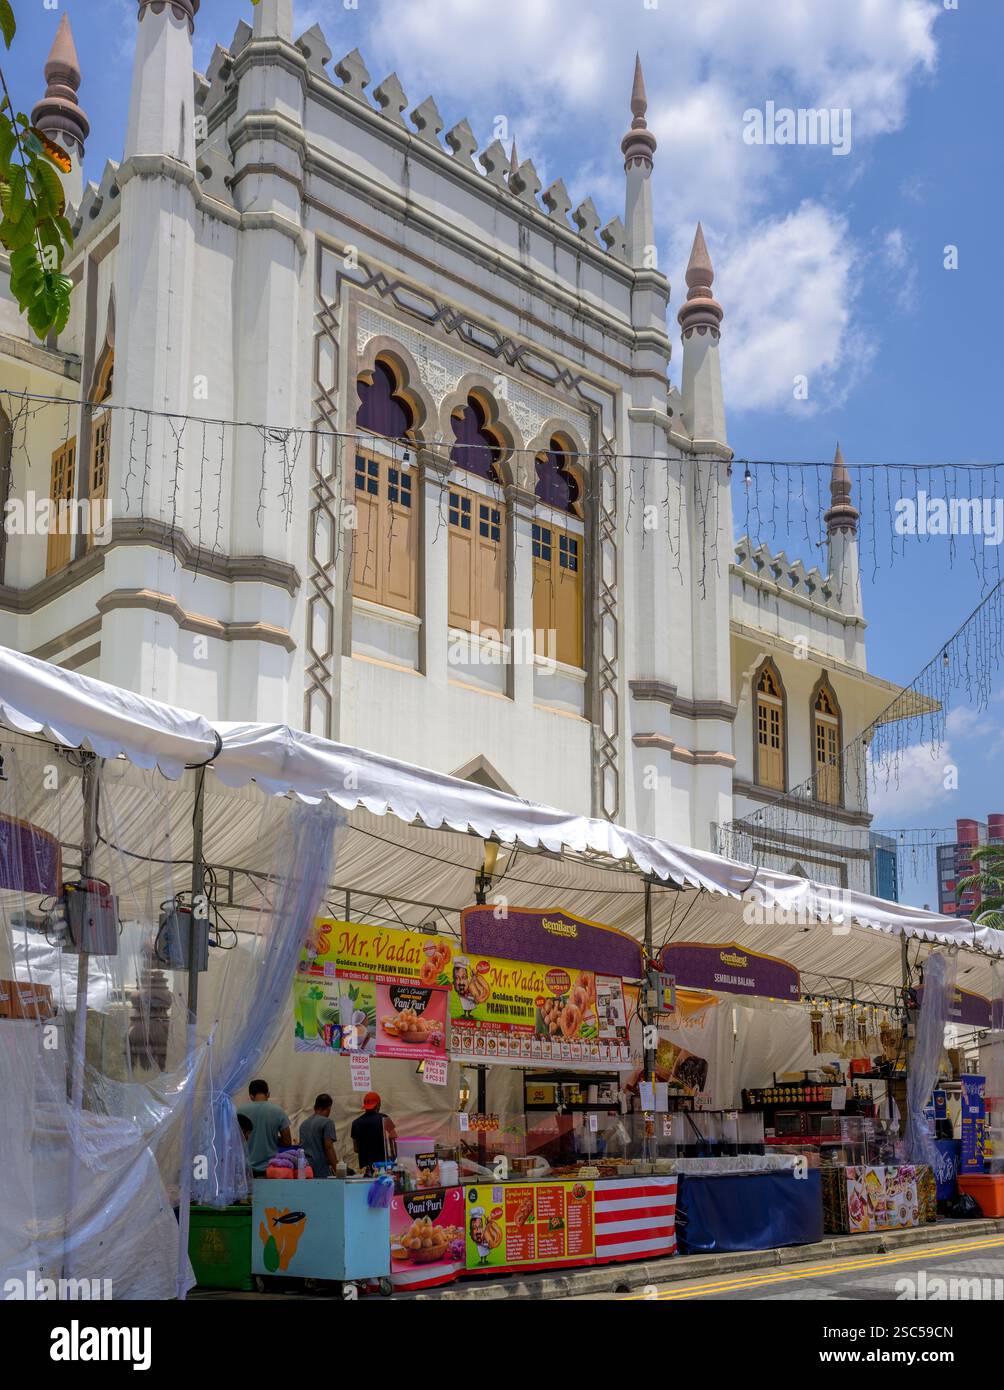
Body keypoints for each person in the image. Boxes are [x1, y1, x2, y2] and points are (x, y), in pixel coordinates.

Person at [237, 1079, 292, 1178]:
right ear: (268, 1094)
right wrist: (272, 1138)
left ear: (251, 1096)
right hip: (271, 1169)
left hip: (245, 1170)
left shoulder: (239, 1111)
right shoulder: (278, 1111)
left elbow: (233, 1140)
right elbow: (288, 1142)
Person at [350, 1091, 397, 1171]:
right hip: (382, 1167)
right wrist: (393, 1154)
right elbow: (393, 1136)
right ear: (377, 1105)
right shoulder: (384, 1118)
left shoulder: (355, 1123)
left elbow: (356, 1149)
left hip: (365, 1168)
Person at [299, 1093, 338, 1178]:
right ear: (329, 1108)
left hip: (305, 1171)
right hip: (321, 1171)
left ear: (314, 1107)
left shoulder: (303, 1125)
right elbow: (329, 1147)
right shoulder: (327, 1123)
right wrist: (337, 1170)